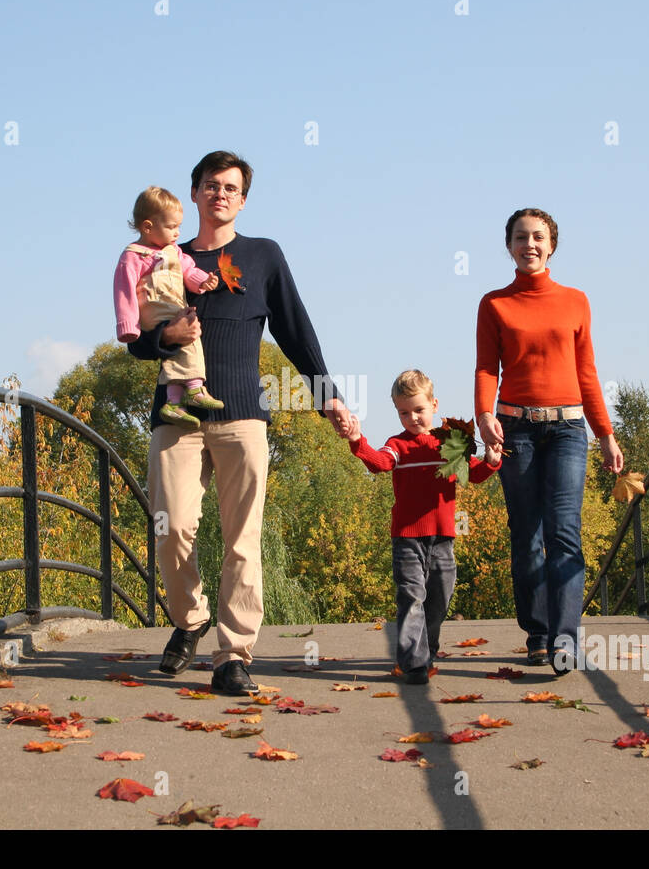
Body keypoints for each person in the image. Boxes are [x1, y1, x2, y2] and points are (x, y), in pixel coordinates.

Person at [126, 150, 354, 695]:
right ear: (195, 193)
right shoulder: (163, 255)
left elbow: (297, 332)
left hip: (242, 414)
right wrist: (165, 340)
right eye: (210, 185)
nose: (220, 193)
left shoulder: (263, 255)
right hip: (176, 413)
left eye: (230, 187)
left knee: (241, 540)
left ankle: (233, 656)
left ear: (242, 199)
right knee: (171, 527)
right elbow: (135, 337)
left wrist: (330, 397)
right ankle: (191, 619)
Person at [474, 208, 624, 676]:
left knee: (564, 533)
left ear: (552, 245)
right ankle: (537, 633)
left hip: (567, 431)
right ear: (509, 246)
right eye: (521, 238)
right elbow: (486, 368)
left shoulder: (576, 301)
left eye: (538, 237)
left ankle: (565, 639)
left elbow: (587, 371)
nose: (530, 244)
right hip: (515, 429)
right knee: (527, 535)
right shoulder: (494, 304)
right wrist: (483, 416)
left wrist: (606, 433)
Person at [344, 370, 500, 684]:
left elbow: (477, 474)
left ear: (434, 405)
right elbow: (379, 463)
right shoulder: (397, 445)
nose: (412, 417)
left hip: (443, 537)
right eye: (403, 412)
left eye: (419, 410)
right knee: (411, 597)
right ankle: (413, 663)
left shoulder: (451, 443)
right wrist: (357, 441)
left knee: (439, 598)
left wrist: (492, 460)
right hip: (407, 538)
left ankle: (426, 648)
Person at [113, 186, 224, 428]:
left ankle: (174, 402)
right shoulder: (133, 256)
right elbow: (124, 291)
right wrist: (128, 326)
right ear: (148, 226)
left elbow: (188, 270)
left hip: (174, 304)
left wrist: (203, 281)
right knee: (188, 337)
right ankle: (194, 387)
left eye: (179, 226)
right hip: (154, 305)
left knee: (177, 346)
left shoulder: (173, 251)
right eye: (171, 227)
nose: (177, 232)